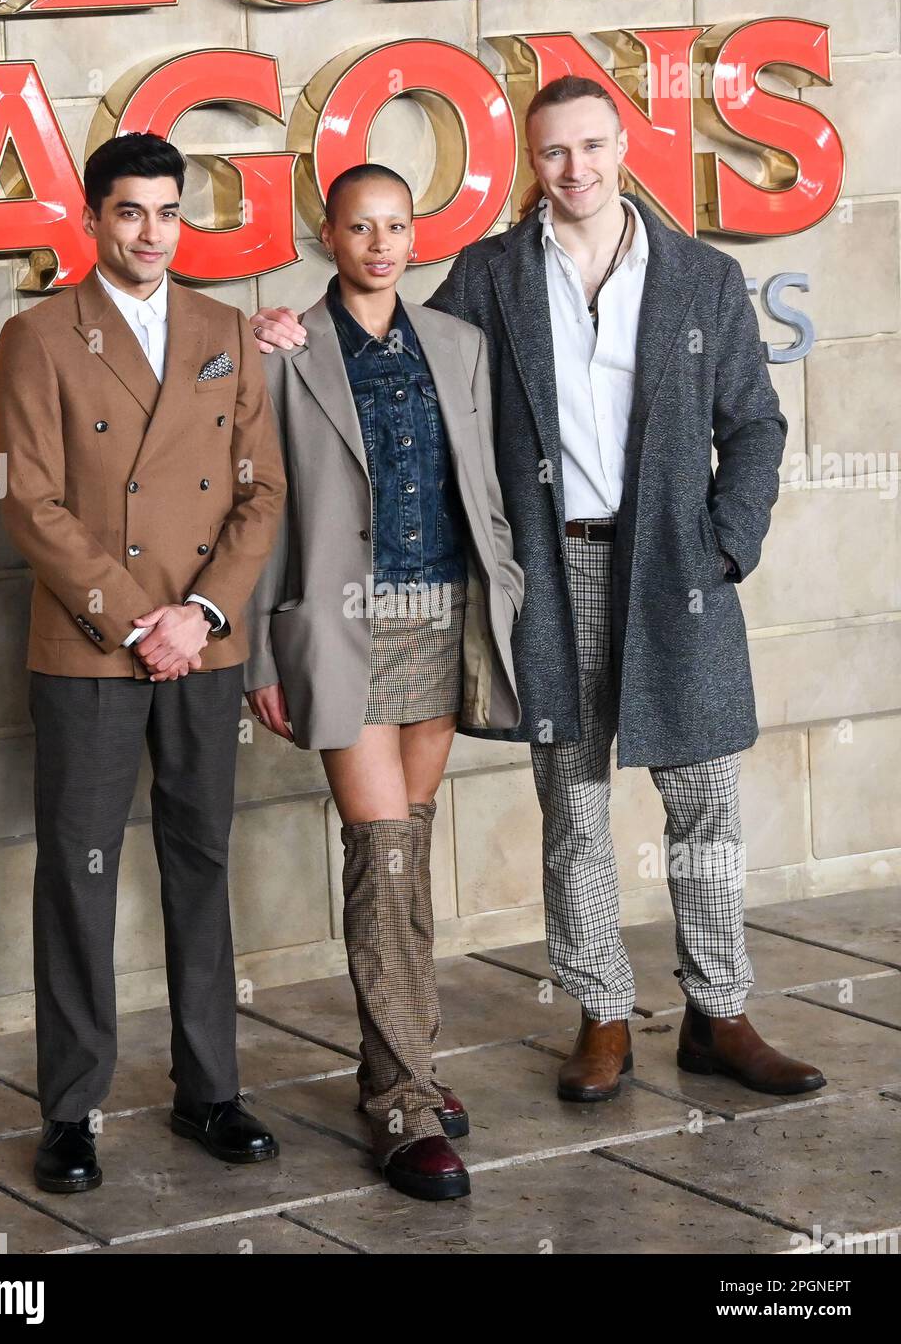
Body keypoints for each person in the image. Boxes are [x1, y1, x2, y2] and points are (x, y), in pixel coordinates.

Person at [250, 77, 825, 1105]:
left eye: (593, 146)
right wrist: (289, 345)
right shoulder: (491, 275)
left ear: (623, 145)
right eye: (555, 152)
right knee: (574, 803)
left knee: (703, 797)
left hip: (674, 570)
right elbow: (398, 368)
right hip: (551, 571)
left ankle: (719, 1008)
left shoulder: (702, 277)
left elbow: (756, 427)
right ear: (533, 161)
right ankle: (602, 1010)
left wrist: (725, 545)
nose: (577, 169)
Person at [0, 131, 287, 1194]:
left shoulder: (223, 329)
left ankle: (209, 1086)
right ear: (93, 220)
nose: (151, 233)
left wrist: (199, 615)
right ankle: (71, 1108)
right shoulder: (36, 335)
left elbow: (261, 491)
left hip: (202, 642)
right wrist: (136, 617)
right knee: (80, 873)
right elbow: (32, 500)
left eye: (167, 212)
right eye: (129, 212)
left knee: (202, 859)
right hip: (89, 646)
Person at [245, 164, 523, 1201]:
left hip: (443, 619)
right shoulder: (282, 349)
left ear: (417, 234)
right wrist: (265, 655)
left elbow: (484, 491)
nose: (380, 243)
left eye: (398, 226)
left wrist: (509, 603)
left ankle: (401, 1060)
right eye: (360, 226)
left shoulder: (458, 344)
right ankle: (403, 1102)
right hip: (344, 628)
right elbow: (258, 510)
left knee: (412, 841)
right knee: (383, 856)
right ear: (330, 234)